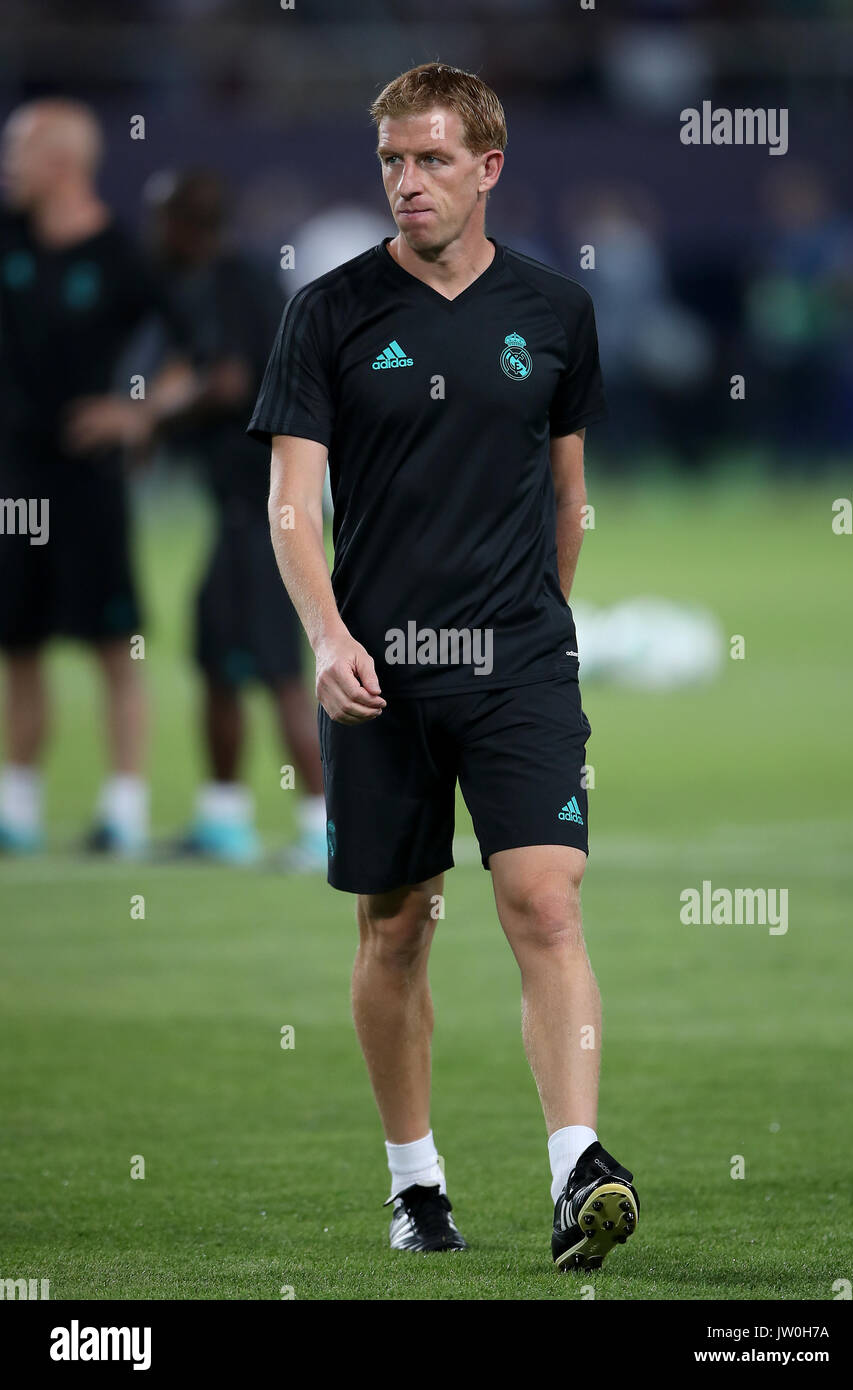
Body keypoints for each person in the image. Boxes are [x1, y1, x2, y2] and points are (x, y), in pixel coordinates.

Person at [249, 63, 639, 1271]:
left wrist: (539, 633)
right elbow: (290, 508)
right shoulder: (329, 310)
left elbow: (570, 497)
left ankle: (579, 1163)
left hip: (518, 662)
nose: (405, 183)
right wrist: (328, 637)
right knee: (398, 929)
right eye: (389, 162)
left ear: (489, 168)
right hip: (380, 671)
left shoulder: (555, 312)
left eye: (428, 160)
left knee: (545, 899)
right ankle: (415, 1182)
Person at [0, 99, 192, 856]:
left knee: (115, 646)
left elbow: (191, 358)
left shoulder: (121, 255)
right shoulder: (7, 238)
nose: (7, 164)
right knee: (18, 642)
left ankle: (125, 809)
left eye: (17, 150)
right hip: (14, 477)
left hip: (88, 481)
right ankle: (15, 809)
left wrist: (135, 415)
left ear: (62, 163)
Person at [145, 170, 325, 866]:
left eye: (162, 220)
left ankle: (321, 826)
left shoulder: (238, 284)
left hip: (269, 507)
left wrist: (154, 419)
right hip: (234, 508)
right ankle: (224, 819)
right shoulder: (205, 287)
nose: (155, 234)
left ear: (186, 224)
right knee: (219, 655)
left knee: (278, 664)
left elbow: (225, 382)